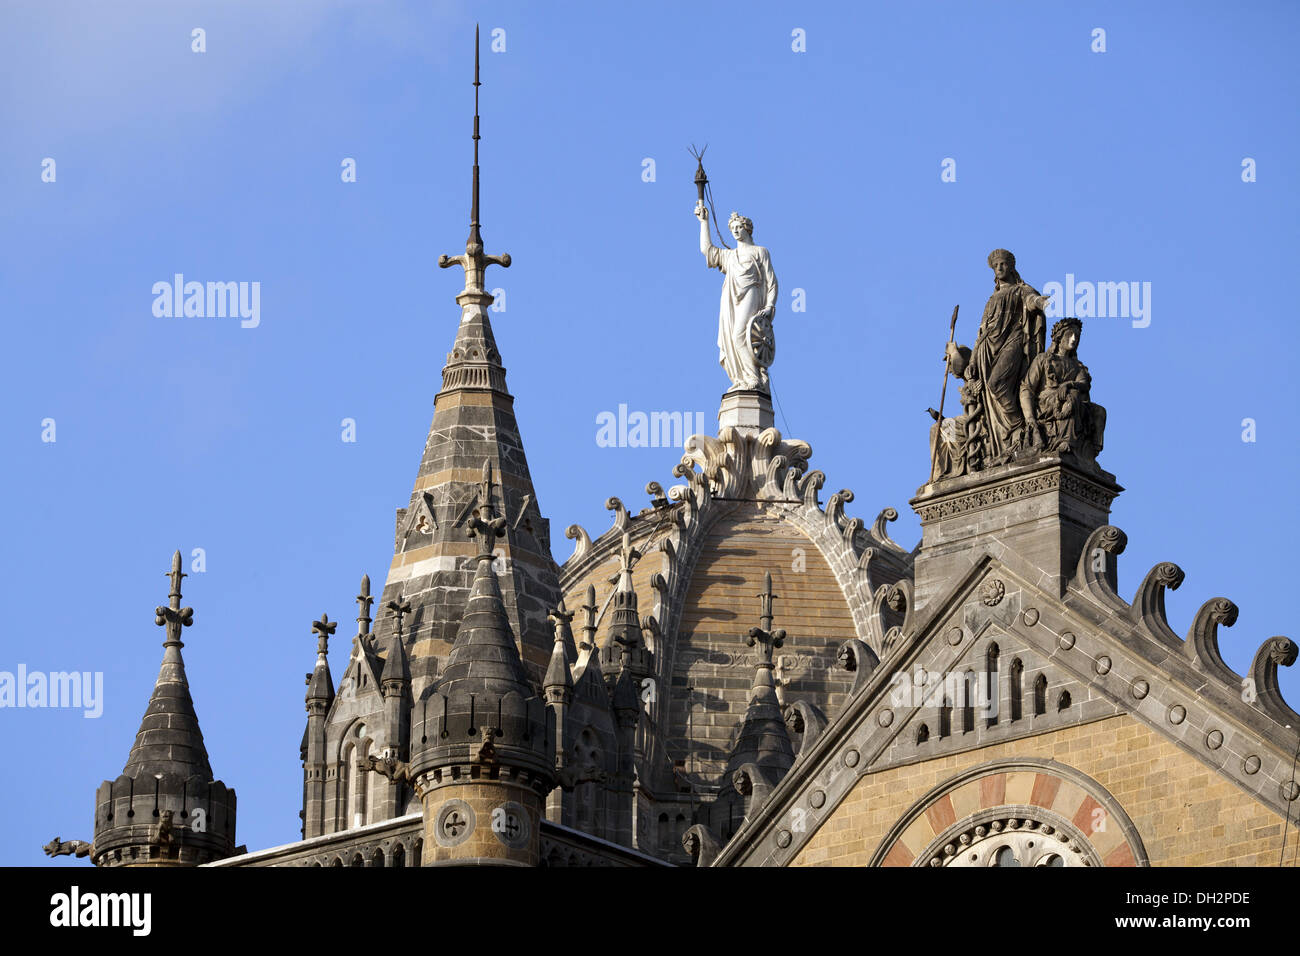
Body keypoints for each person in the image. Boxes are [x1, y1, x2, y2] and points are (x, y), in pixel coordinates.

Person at [938, 249, 1051, 473]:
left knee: (996, 384)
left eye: (1003, 264)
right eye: (996, 265)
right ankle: (1004, 440)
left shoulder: (1021, 289)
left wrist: (1039, 302)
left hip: (1013, 340)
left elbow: (1031, 301)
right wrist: (971, 362)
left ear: (1011, 266)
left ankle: (1018, 427)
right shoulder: (992, 299)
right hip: (987, 348)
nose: (1000, 268)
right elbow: (982, 332)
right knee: (989, 393)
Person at [695, 201, 778, 392]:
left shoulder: (760, 252)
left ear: (747, 229)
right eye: (732, 228)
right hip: (731, 300)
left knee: (740, 334)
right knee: (733, 338)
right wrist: (704, 222)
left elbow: (771, 280)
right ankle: (741, 377)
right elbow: (707, 250)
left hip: (752, 293)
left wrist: (770, 305)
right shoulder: (730, 256)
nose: (735, 231)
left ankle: (752, 378)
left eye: (739, 227)